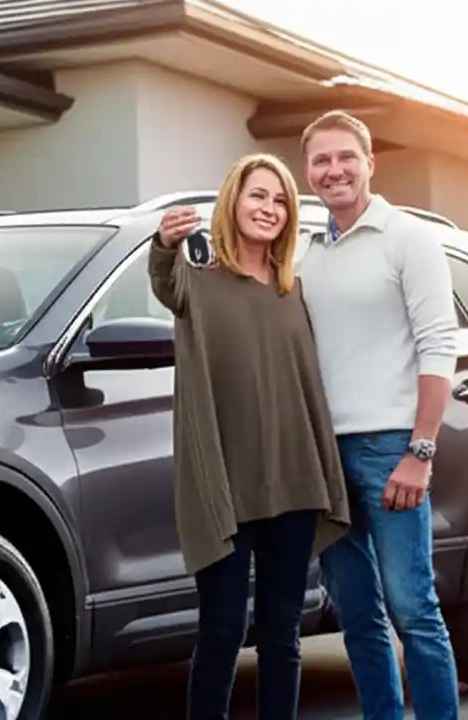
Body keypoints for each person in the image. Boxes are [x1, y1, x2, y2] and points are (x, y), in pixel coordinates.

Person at [150, 153, 351, 720]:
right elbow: (165, 281)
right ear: (232, 202)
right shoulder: (198, 281)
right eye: (258, 195)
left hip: (293, 482)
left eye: (280, 200)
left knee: (282, 630)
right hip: (227, 486)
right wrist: (163, 244)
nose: (269, 208)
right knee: (221, 628)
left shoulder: (295, 290)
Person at [295, 110, 462, 720]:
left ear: (370, 163)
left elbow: (438, 345)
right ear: (307, 171)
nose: (334, 170)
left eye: (346, 157)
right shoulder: (308, 251)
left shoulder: (408, 238)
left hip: (392, 448)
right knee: (357, 615)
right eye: (321, 160)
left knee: (413, 609)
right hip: (326, 459)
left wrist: (420, 451)